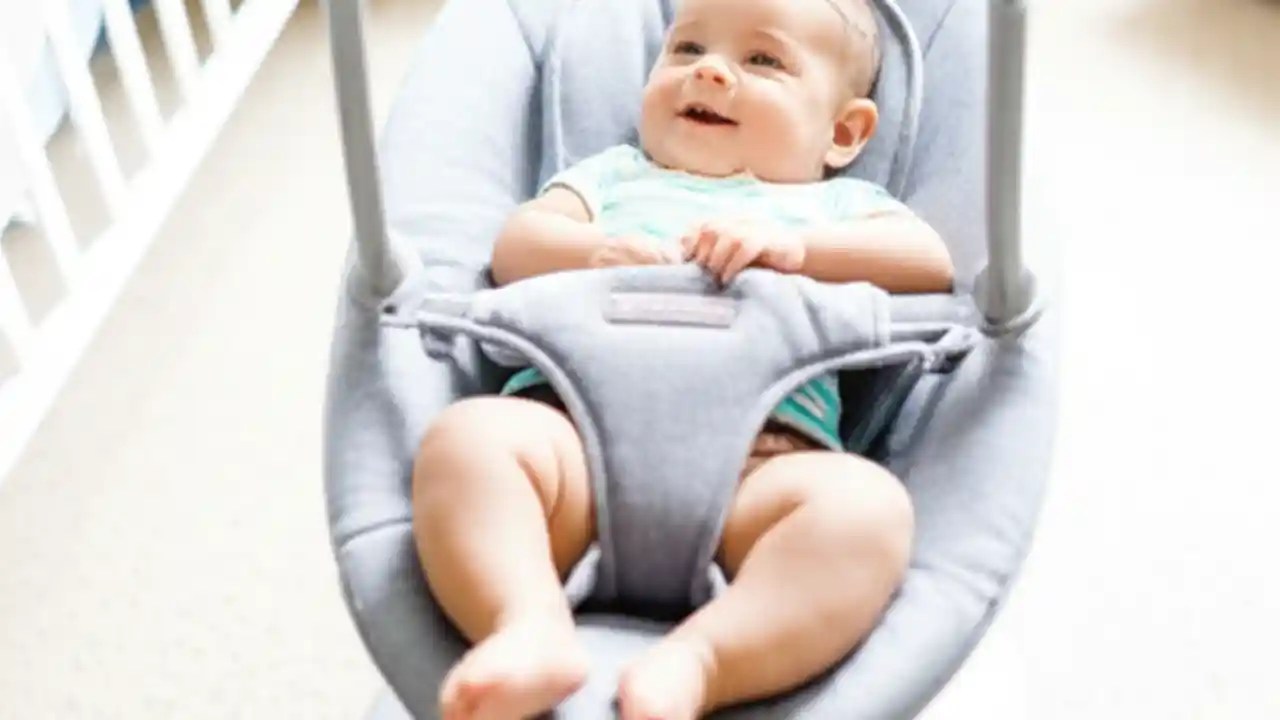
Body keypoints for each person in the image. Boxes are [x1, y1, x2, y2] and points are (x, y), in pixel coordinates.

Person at [412, 0, 953, 717]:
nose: (710, 70)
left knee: (867, 513)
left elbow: (929, 263)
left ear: (844, 132)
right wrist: (592, 252)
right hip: (570, 445)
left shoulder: (838, 208)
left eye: (763, 60)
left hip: (763, 470)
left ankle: (703, 661)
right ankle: (526, 625)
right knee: (468, 443)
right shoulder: (611, 178)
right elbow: (516, 246)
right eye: (685, 48)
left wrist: (797, 253)